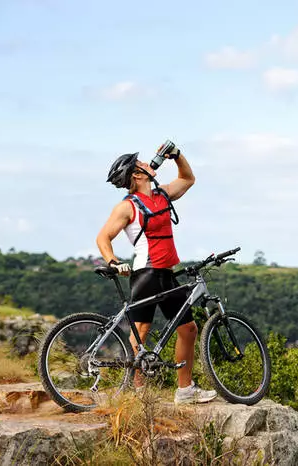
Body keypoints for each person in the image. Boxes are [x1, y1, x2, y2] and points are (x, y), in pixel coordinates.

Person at [96, 143, 217, 404]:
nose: (148, 163)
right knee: (141, 330)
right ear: (137, 174)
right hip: (146, 273)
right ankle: (139, 392)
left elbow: (188, 179)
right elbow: (103, 237)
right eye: (141, 164)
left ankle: (185, 391)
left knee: (188, 329)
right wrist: (114, 261)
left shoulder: (162, 195)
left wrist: (176, 155)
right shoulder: (128, 206)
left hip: (167, 274)